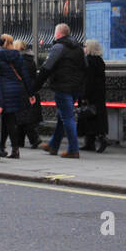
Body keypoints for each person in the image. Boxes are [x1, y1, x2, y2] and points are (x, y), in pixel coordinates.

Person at [33, 22, 87, 159]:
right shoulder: (79, 49)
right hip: (75, 88)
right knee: (62, 117)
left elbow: (46, 68)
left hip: (63, 88)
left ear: (58, 34)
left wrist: (34, 88)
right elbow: (86, 68)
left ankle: (73, 149)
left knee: (67, 118)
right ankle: (53, 145)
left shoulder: (58, 47)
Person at [0, 33, 32, 157]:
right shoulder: (17, 55)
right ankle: (3, 146)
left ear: (0, 44)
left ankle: (14, 149)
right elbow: (24, 74)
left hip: (3, 90)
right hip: (16, 90)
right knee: (8, 118)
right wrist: (30, 93)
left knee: (10, 121)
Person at [80, 39, 109, 153]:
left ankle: (98, 140)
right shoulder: (100, 61)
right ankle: (90, 142)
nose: (84, 48)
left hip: (90, 94)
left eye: (85, 46)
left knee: (89, 116)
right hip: (99, 94)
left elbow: (88, 80)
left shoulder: (88, 61)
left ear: (90, 48)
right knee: (96, 117)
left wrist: (84, 95)